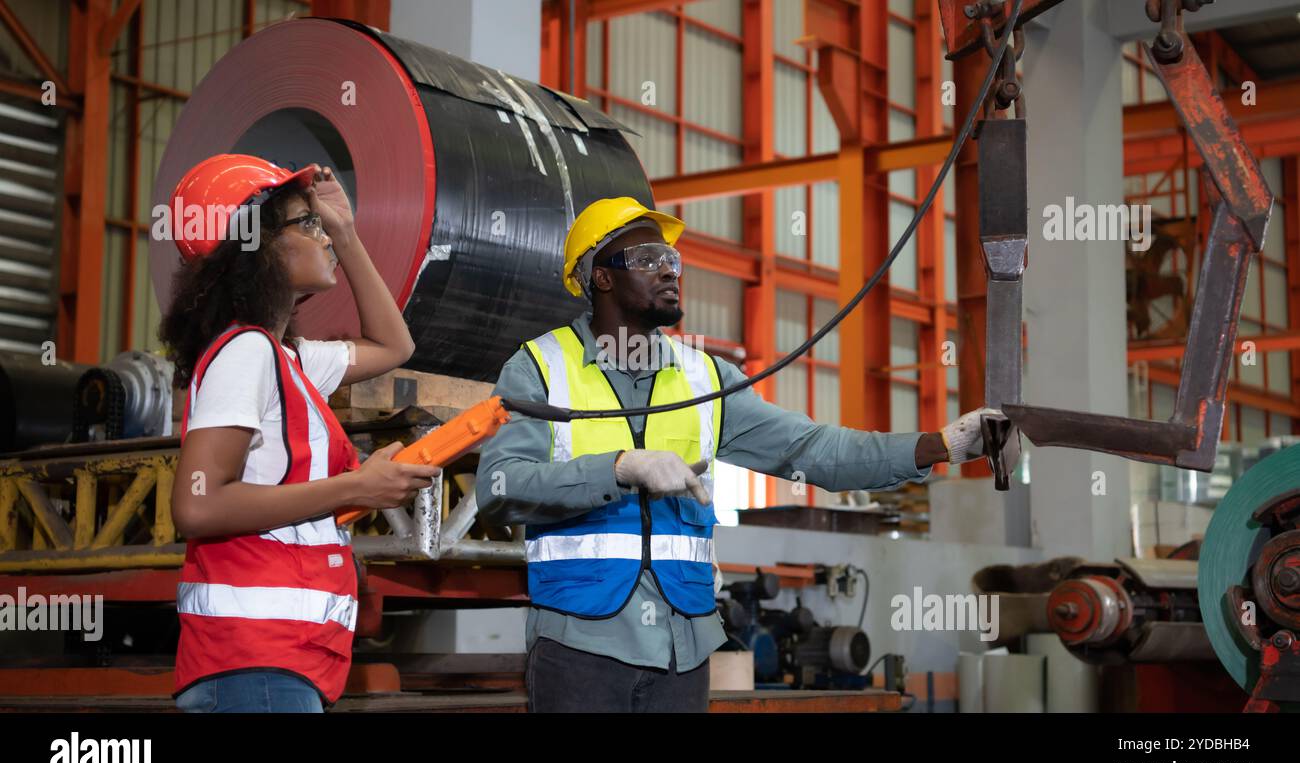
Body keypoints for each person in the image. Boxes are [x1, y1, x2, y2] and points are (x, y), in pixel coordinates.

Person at [476, 196, 1014, 713]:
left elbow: (814, 449)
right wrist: (618, 468)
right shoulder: (539, 368)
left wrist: (938, 445)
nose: (669, 270)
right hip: (579, 648)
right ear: (601, 276)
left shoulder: (705, 378)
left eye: (673, 260)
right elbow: (500, 488)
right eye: (648, 259)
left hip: (682, 650)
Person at [160, 153, 438, 712]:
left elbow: (394, 347)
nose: (324, 237)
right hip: (255, 660)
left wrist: (347, 233)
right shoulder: (247, 353)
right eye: (307, 224)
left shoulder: (287, 358)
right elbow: (197, 506)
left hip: (279, 660)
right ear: (256, 247)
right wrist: (358, 488)